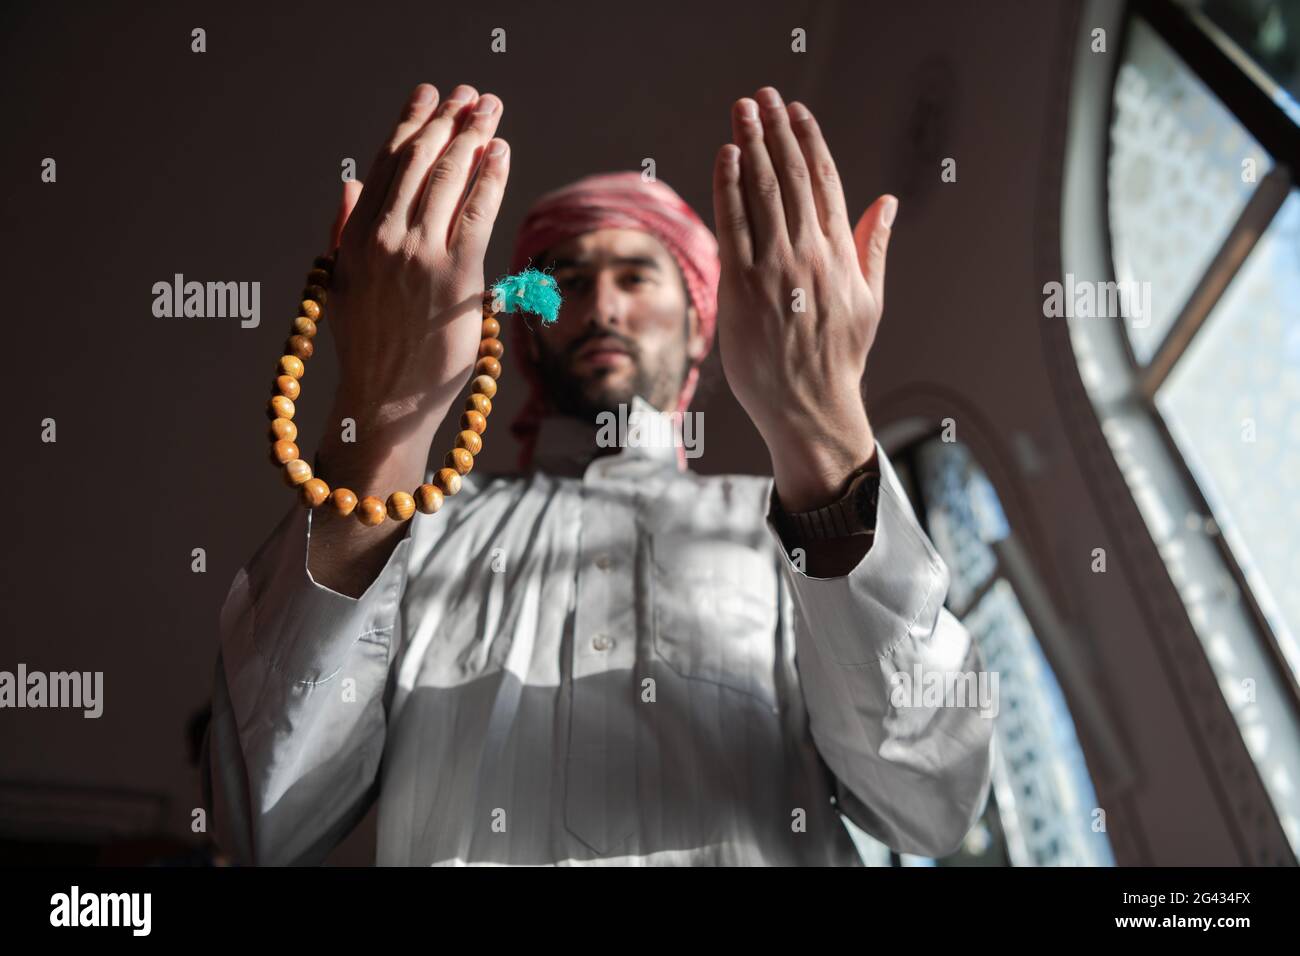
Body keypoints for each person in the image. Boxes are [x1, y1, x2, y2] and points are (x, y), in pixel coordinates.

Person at [202, 82, 995, 865]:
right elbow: (266, 823)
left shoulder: (782, 525)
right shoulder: (419, 529)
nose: (603, 308)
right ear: (531, 331)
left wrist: (822, 430)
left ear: (701, 329)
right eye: (569, 282)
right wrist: (383, 416)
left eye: (638, 277)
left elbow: (929, 804)